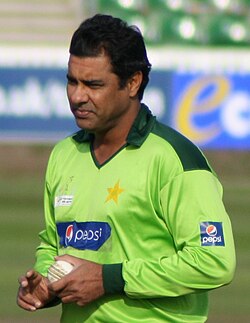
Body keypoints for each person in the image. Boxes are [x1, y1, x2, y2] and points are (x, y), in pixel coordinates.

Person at [17, 14, 236, 322]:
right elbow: (53, 244)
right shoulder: (63, 155)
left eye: (93, 84)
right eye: (71, 81)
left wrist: (110, 279)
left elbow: (214, 261)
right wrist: (45, 283)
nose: (77, 96)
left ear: (132, 82)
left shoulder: (175, 159)